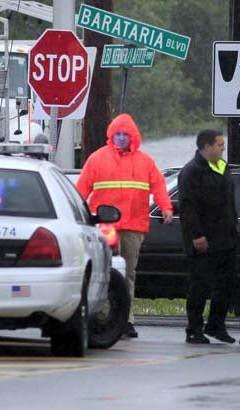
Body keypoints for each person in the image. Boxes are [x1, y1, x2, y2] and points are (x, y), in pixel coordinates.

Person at [77, 114, 172, 339]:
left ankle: (126, 320)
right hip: (104, 228)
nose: (121, 138)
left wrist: (166, 207)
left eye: (125, 135)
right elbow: (81, 189)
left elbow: (158, 186)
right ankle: (101, 316)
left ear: (133, 137)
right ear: (111, 135)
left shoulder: (145, 161)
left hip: (133, 226)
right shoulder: (97, 159)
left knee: (128, 274)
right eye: (117, 134)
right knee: (102, 273)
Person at [179, 129, 238, 344]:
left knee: (226, 284)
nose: (224, 148)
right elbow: (188, 208)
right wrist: (197, 235)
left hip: (226, 238)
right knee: (199, 286)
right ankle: (194, 328)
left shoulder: (223, 168)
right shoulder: (192, 171)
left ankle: (216, 324)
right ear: (206, 147)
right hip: (204, 239)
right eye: (220, 145)